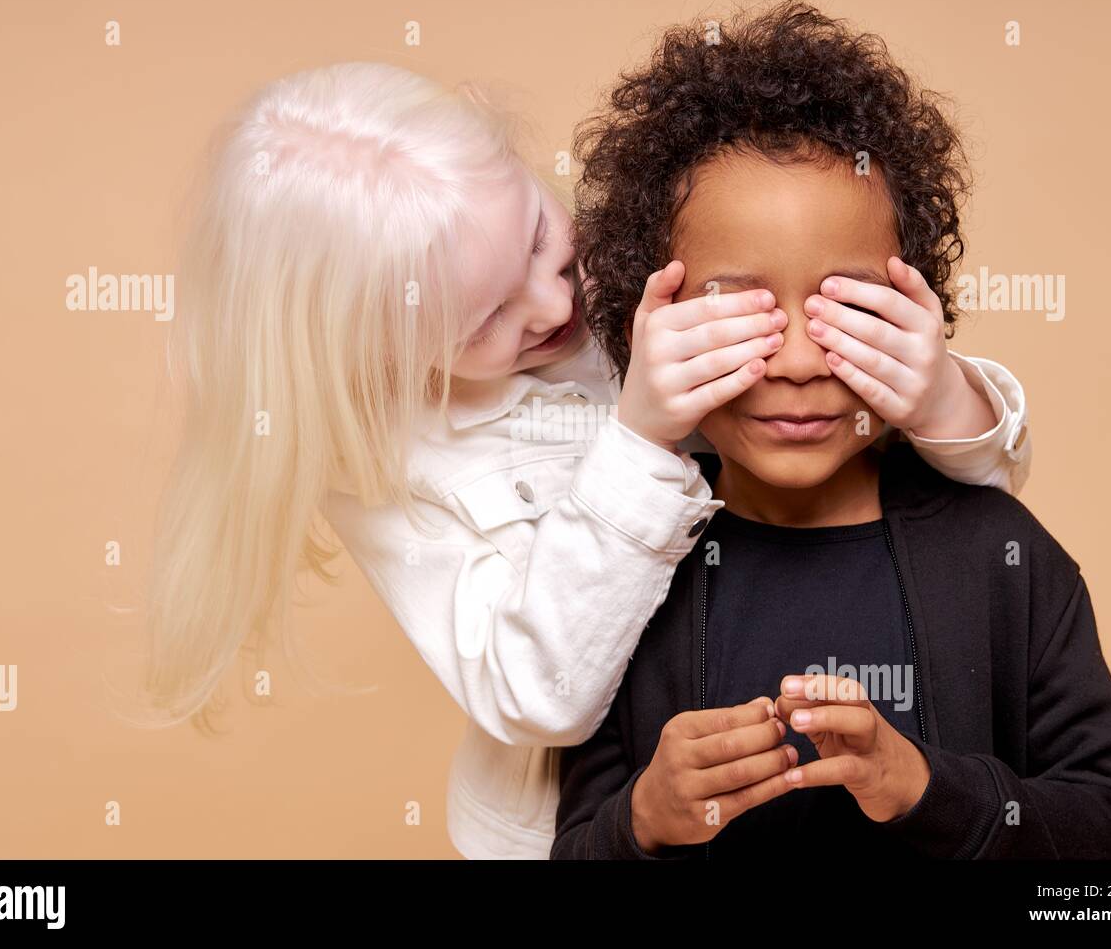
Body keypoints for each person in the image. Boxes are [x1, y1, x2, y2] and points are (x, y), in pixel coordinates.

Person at [144, 56, 1032, 860]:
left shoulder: (629, 258)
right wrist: (639, 440)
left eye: (535, 236)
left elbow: (967, 509)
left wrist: (941, 396)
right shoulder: (386, 470)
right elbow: (538, 695)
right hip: (594, 825)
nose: (552, 301)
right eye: (485, 319)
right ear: (376, 349)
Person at [552, 0, 1111, 859]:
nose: (799, 360)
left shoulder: (1003, 559)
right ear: (648, 319)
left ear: (917, 309)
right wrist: (638, 821)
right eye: (739, 310)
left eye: (845, 304)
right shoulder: (618, 582)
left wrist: (923, 790)